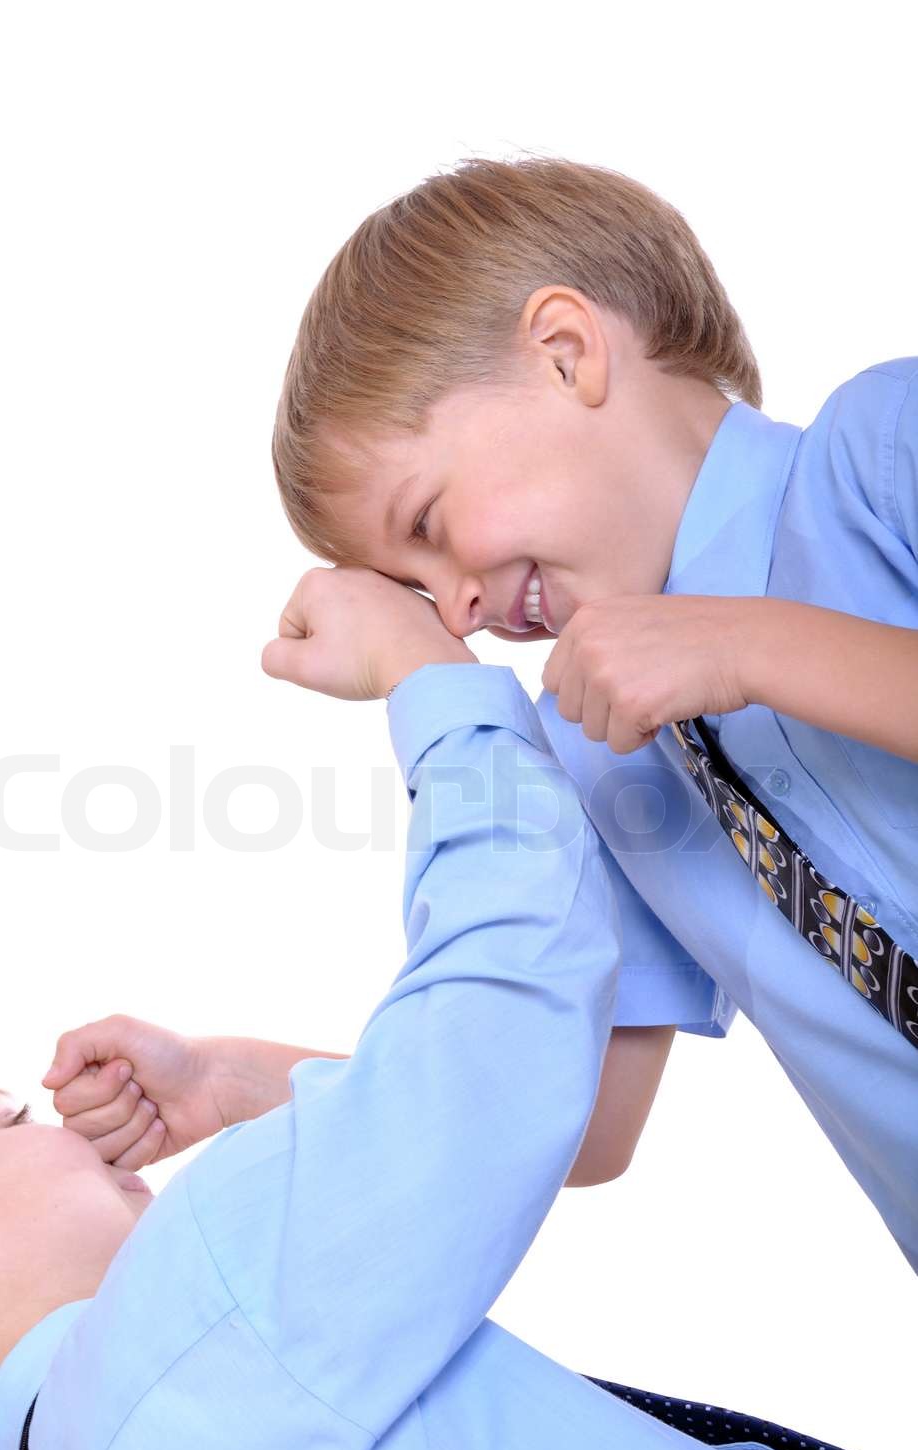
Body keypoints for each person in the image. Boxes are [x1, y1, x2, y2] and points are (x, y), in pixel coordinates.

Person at [0, 574, 885, 1450]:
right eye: (10, 1117)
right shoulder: (188, 1313)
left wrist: (231, 1079)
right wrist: (423, 670)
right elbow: (499, 1005)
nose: (67, 1132)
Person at [269, 153, 918, 1275]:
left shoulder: (883, 450)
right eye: (416, 593)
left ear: (565, 353)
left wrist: (750, 644)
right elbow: (578, 1118)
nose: (458, 610)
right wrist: (239, 1080)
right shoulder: (605, 750)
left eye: (428, 525)